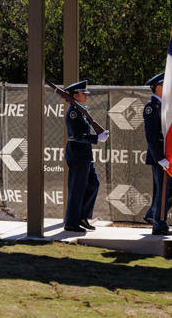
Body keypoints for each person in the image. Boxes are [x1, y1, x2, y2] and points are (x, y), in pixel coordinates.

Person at [63, 80, 109, 233]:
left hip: (84, 154)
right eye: (83, 93)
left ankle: (82, 216)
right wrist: (96, 138)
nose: (86, 96)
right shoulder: (74, 113)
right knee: (77, 188)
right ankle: (71, 222)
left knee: (93, 184)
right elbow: (77, 136)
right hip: (77, 154)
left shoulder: (81, 111)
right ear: (75, 95)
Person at [142, 73, 172, 236]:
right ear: (156, 87)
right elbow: (151, 136)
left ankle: (154, 213)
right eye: (164, 84)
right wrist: (160, 158)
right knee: (163, 190)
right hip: (160, 156)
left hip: (168, 155)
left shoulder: (165, 105)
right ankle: (159, 224)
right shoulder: (151, 107)